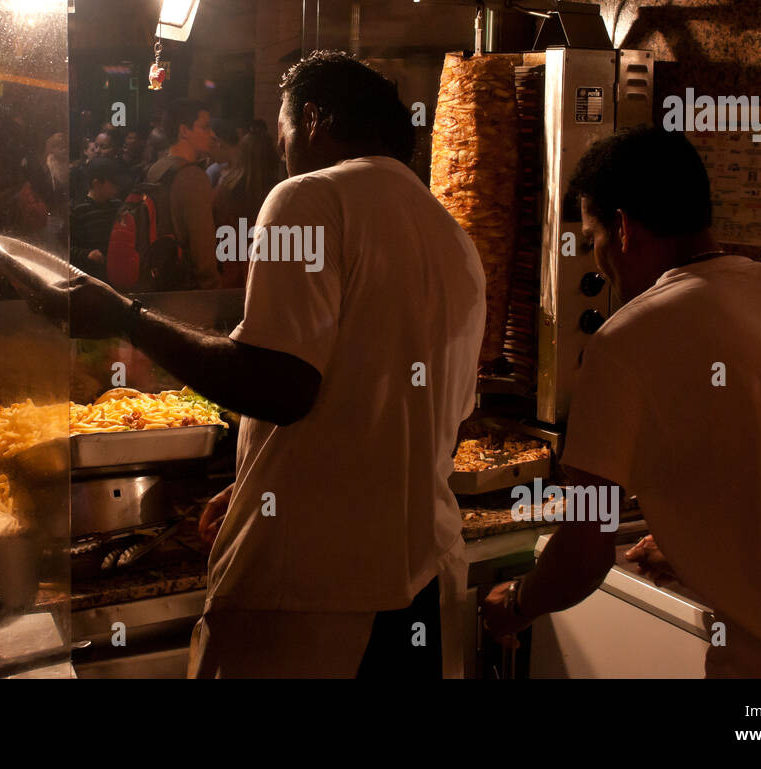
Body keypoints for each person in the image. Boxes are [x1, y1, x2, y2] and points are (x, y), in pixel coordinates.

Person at [60, 51, 486, 677]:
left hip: (312, 598)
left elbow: (280, 384)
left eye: (284, 127)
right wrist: (269, 479)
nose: (282, 146)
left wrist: (126, 318)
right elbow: (414, 420)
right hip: (420, 584)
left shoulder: (310, 197)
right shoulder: (452, 235)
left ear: (313, 119)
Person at [480, 125, 761, 677]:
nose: (597, 258)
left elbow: (583, 552)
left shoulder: (627, 339)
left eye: (592, 235)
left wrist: (517, 602)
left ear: (622, 227)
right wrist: (701, 549)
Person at [141, 99, 219, 290]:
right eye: (205, 127)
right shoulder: (193, 177)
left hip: (157, 282)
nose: (212, 134)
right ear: (184, 131)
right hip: (185, 289)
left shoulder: (155, 169)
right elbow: (203, 249)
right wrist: (213, 289)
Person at [212, 126, 280, 287]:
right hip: (267, 274)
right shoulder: (279, 193)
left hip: (231, 272)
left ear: (241, 156)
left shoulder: (224, 190)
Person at [70, 157, 127, 279]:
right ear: (96, 183)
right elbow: (67, 249)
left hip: (118, 273)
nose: (116, 188)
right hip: (92, 277)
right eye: (112, 184)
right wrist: (87, 254)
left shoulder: (117, 206)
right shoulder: (78, 210)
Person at [205, 122, 239, 188]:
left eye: (211, 147)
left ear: (220, 143)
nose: (209, 153)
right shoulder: (214, 170)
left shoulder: (213, 171)